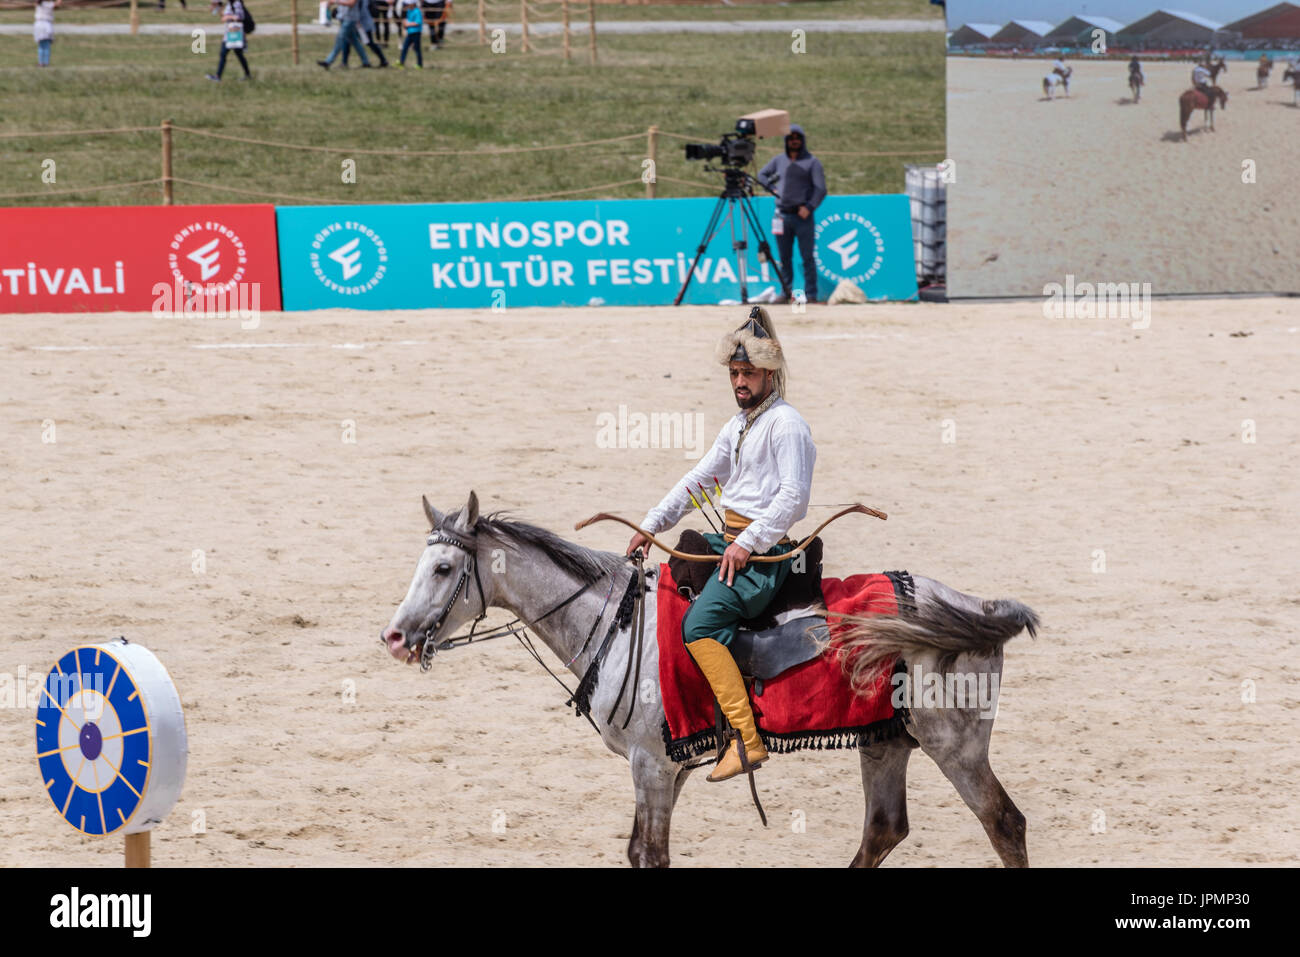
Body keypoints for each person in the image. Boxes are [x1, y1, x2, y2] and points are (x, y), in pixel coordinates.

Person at [627, 307, 816, 783]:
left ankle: (747, 740)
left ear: (768, 372)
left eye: (747, 372)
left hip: (764, 557)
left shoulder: (786, 424)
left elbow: (793, 498)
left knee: (699, 625)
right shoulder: (738, 426)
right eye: (734, 373)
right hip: (731, 540)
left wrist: (749, 541)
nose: (739, 381)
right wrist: (651, 525)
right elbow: (700, 481)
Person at [757, 124, 826, 304]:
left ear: (802, 140)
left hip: (802, 216)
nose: (794, 141)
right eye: (791, 138)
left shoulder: (812, 162)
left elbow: (820, 189)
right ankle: (786, 291)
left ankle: (810, 294)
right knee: (784, 258)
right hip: (781, 215)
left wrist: (809, 207)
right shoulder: (779, 160)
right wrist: (773, 189)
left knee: (807, 257)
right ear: (786, 141)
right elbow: (761, 175)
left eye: (797, 138)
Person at [206, 0, 251, 81]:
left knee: (224, 54)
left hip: (233, 33)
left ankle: (218, 76)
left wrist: (227, 17)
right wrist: (217, 9)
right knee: (238, 54)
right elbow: (224, 17)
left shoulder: (236, 3)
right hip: (230, 33)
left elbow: (239, 17)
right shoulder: (230, 4)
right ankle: (247, 75)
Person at [319, 0, 370, 69]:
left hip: (350, 19)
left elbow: (351, 3)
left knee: (339, 40)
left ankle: (328, 61)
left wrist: (336, 2)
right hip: (343, 18)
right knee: (355, 42)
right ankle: (366, 62)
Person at [343, 0, 389, 66]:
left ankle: (382, 60)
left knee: (369, 42)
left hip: (363, 24)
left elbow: (359, 10)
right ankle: (345, 61)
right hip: (360, 23)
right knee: (348, 40)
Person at [34, 0, 59, 67]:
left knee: (46, 44)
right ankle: (42, 62)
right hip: (41, 23)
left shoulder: (50, 3)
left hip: (47, 23)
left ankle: (45, 63)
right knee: (42, 44)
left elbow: (56, 5)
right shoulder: (40, 3)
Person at [398, 0, 423, 67]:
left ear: (413, 4)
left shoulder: (417, 11)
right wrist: (404, 23)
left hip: (416, 32)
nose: (407, 5)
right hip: (410, 33)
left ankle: (419, 64)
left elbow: (418, 22)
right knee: (404, 48)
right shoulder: (408, 10)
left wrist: (408, 24)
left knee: (417, 49)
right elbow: (406, 20)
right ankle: (401, 62)